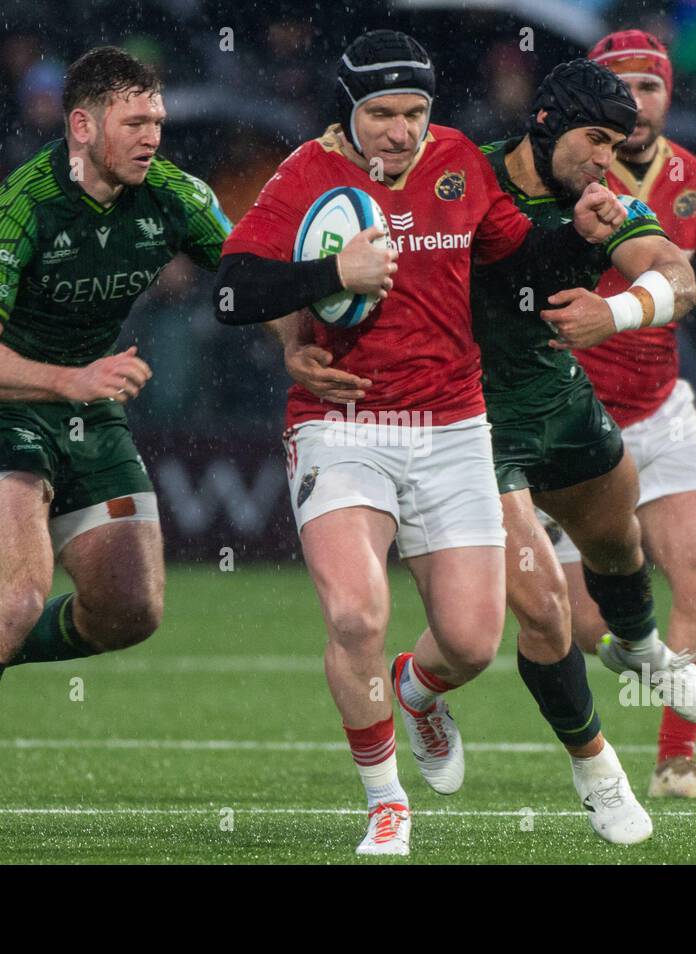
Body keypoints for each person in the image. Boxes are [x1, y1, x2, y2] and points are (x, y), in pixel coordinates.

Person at [288, 59, 696, 845]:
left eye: (619, 145)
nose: (610, 160)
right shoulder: (461, 175)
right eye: (597, 141)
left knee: (618, 540)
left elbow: (680, 279)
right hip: (468, 423)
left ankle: (637, 648)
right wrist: (294, 340)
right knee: (546, 608)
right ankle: (598, 773)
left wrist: (618, 312)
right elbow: (306, 254)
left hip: (557, 402)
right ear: (547, 124)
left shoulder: (603, 200)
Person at [215, 30, 628, 856]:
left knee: (472, 643)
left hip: (453, 427)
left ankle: (415, 689)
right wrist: (332, 276)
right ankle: (386, 804)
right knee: (356, 614)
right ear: (349, 109)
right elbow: (231, 291)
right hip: (341, 424)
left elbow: (521, 265)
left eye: (415, 112)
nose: (401, 131)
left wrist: (580, 235)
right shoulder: (305, 175)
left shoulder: (459, 163)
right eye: (382, 114)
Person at [0, 46, 232, 845]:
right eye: (134, 122)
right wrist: (70, 380)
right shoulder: (18, 206)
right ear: (82, 125)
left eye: (157, 120)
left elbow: (250, 276)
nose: (152, 136)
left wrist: (304, 328)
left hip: (86, 405)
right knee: (17, 598)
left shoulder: (176, 196)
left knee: (131, 610)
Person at [547, 30, 696, 800]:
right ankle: (633, 659)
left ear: (669, 95)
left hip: (661, 412)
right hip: (569, 422)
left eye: (649, 87)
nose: (637, 102)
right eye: (620, 88)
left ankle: (675, 765)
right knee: (588, 627)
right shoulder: (562, 174)